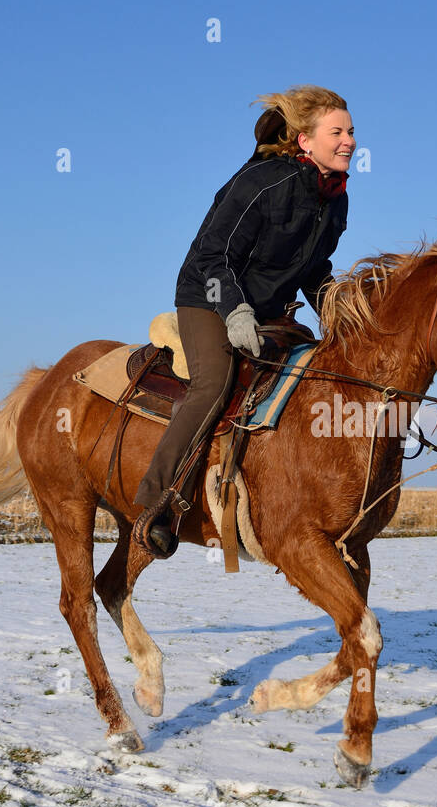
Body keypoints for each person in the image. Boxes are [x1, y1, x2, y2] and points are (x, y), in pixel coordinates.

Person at [131, 85, 354, 558]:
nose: (349, 141)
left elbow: (315, 272)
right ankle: (157, 501)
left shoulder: (335, 201)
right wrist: (234, 309)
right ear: (304, 140)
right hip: (208, 298)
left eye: (351, 132)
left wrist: (342, 315)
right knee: (214, 384)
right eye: (337, 132)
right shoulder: (261, 181)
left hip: (271, 312)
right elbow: (215, 254)